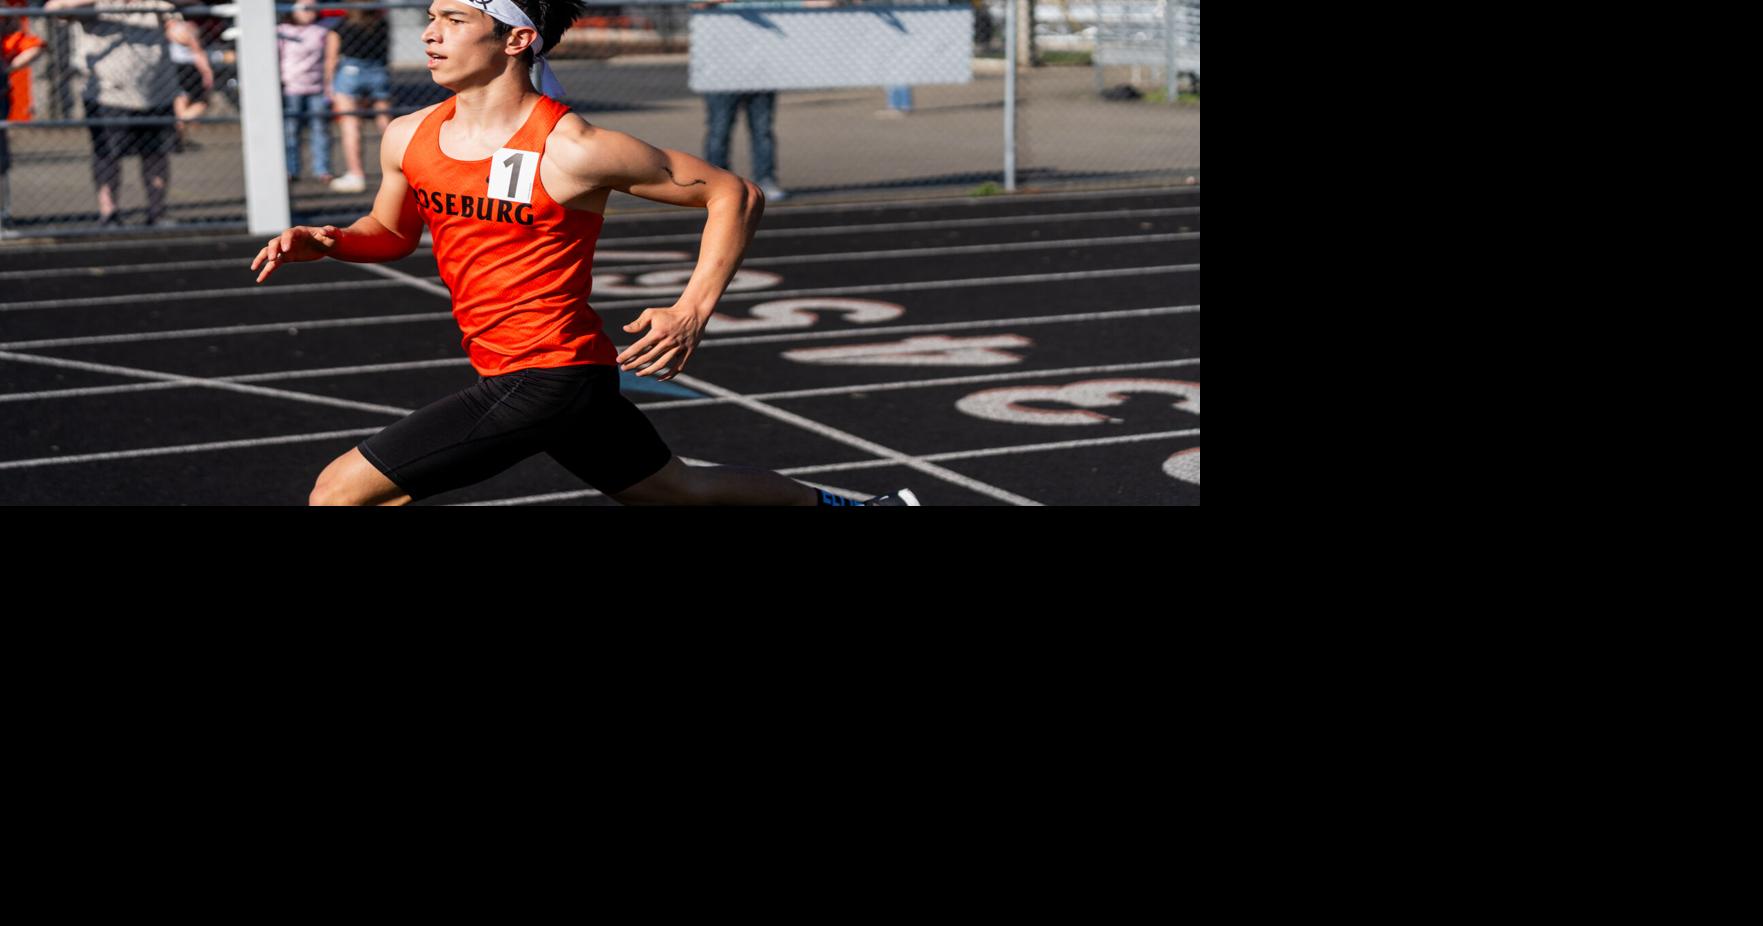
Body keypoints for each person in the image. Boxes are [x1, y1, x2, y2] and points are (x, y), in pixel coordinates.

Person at [249, 0, 917, 507]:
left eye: (454, 19)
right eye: (430, 18)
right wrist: (329, 242)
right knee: (678, 491)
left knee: (339, 492)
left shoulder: (572, 147)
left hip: (546, 376)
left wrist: (690, 311)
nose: (430, 33)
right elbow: (390, 234)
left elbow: (734, 195)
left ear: (516, 39)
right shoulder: (408, 135)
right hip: (548, 373)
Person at [45, 0, 180, 227]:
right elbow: (53, 8)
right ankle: (109, 214)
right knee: (107, 154)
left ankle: (157, 214)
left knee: (156, 154)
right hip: (108, 95)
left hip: (156, 92)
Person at [325, 0, 392, 193]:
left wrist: (328, 84)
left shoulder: (340, 25)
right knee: (385, 120)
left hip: (349, 72)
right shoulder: (381, 24)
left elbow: (331, 58)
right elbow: (386, 52)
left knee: (350, 123)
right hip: (377, 70)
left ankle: (356, 173)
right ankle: (402, 166)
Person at [277, 0, 331, 182]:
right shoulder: (282, 31)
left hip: (317, 87)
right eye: (305, 8)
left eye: (314, 8)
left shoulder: (322, 31)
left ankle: (322, 169)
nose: (310, 12)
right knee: (291, 130)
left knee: (320, 129)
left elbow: (330, 58)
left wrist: (328, 87)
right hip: (292, 88)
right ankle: (291, 170)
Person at [165, 12, 214, 152]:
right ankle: (179, 125)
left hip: (171, 68)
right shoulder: (185, 29)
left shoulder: (165, 30)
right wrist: (207, 71)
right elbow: (197, 51)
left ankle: (179, 138)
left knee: (180, 103)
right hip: (186, 69)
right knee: (202, 102)